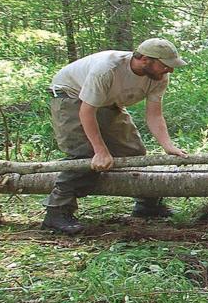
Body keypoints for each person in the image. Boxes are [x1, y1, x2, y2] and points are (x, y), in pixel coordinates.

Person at [41, 38, 190, 234]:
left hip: (107, 102)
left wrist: (168, 145)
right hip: (70, 96)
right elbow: (87, 111)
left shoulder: (158, 77)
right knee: (83, 154)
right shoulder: (107, 69)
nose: (169, 70)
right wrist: (100, 150)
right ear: (145, 60)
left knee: (133, 152)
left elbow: (154, 114)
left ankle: (147, 204)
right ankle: (56, 211)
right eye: (165, 66)